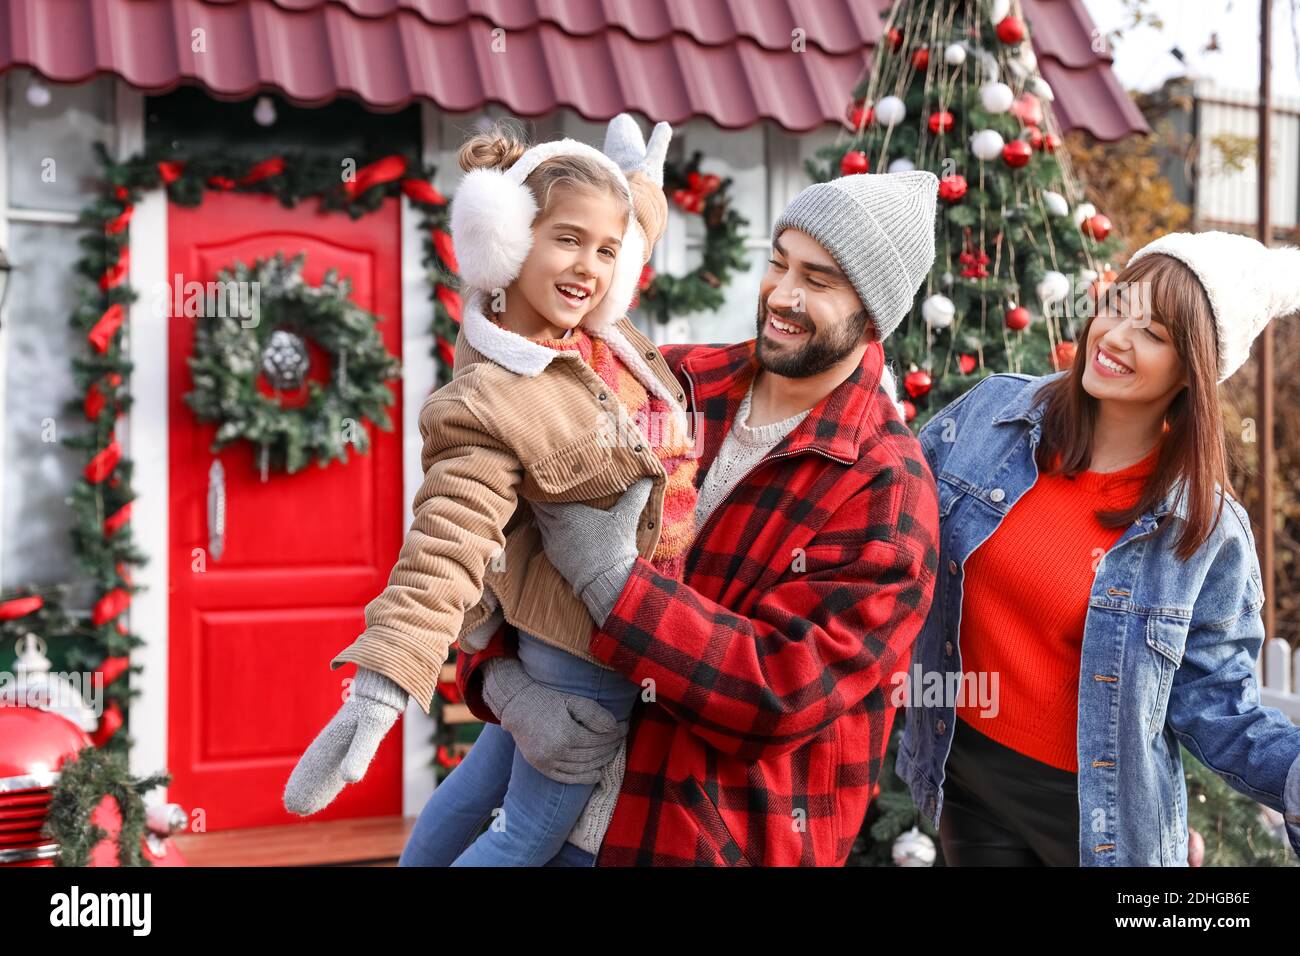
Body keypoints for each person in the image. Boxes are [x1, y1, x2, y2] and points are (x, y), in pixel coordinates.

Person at [454, 170, 944, 865]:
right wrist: (502, 684)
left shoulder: (884, 489)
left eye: (820, 279)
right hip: (541, 826)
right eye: (778, 262)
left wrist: (613, 583)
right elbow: (502, 534)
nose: (784, 295)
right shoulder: (670, 383)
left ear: (874, 312)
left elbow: (782, 689)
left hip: (687, 845)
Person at [284, 117, 701, 868]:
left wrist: (638, 190)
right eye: (566, 240)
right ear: (507, 244)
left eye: (606, 252)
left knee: (476, 788)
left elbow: (632, 224)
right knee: (525, 841)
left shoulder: (595, 333)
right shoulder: (496, 392)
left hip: (567, 632)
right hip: (587, 651)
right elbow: (447, 543)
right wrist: (381, 689)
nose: (590, 268)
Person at [896, 230, 1300, 865]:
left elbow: (1218, 705)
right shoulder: (994, 414)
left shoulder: (1203, 528)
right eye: (1118, 306)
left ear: (1192, 371)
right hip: (966, 775)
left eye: (1155, 334)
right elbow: (889, 520)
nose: (1114, 337)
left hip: (1099, 821)